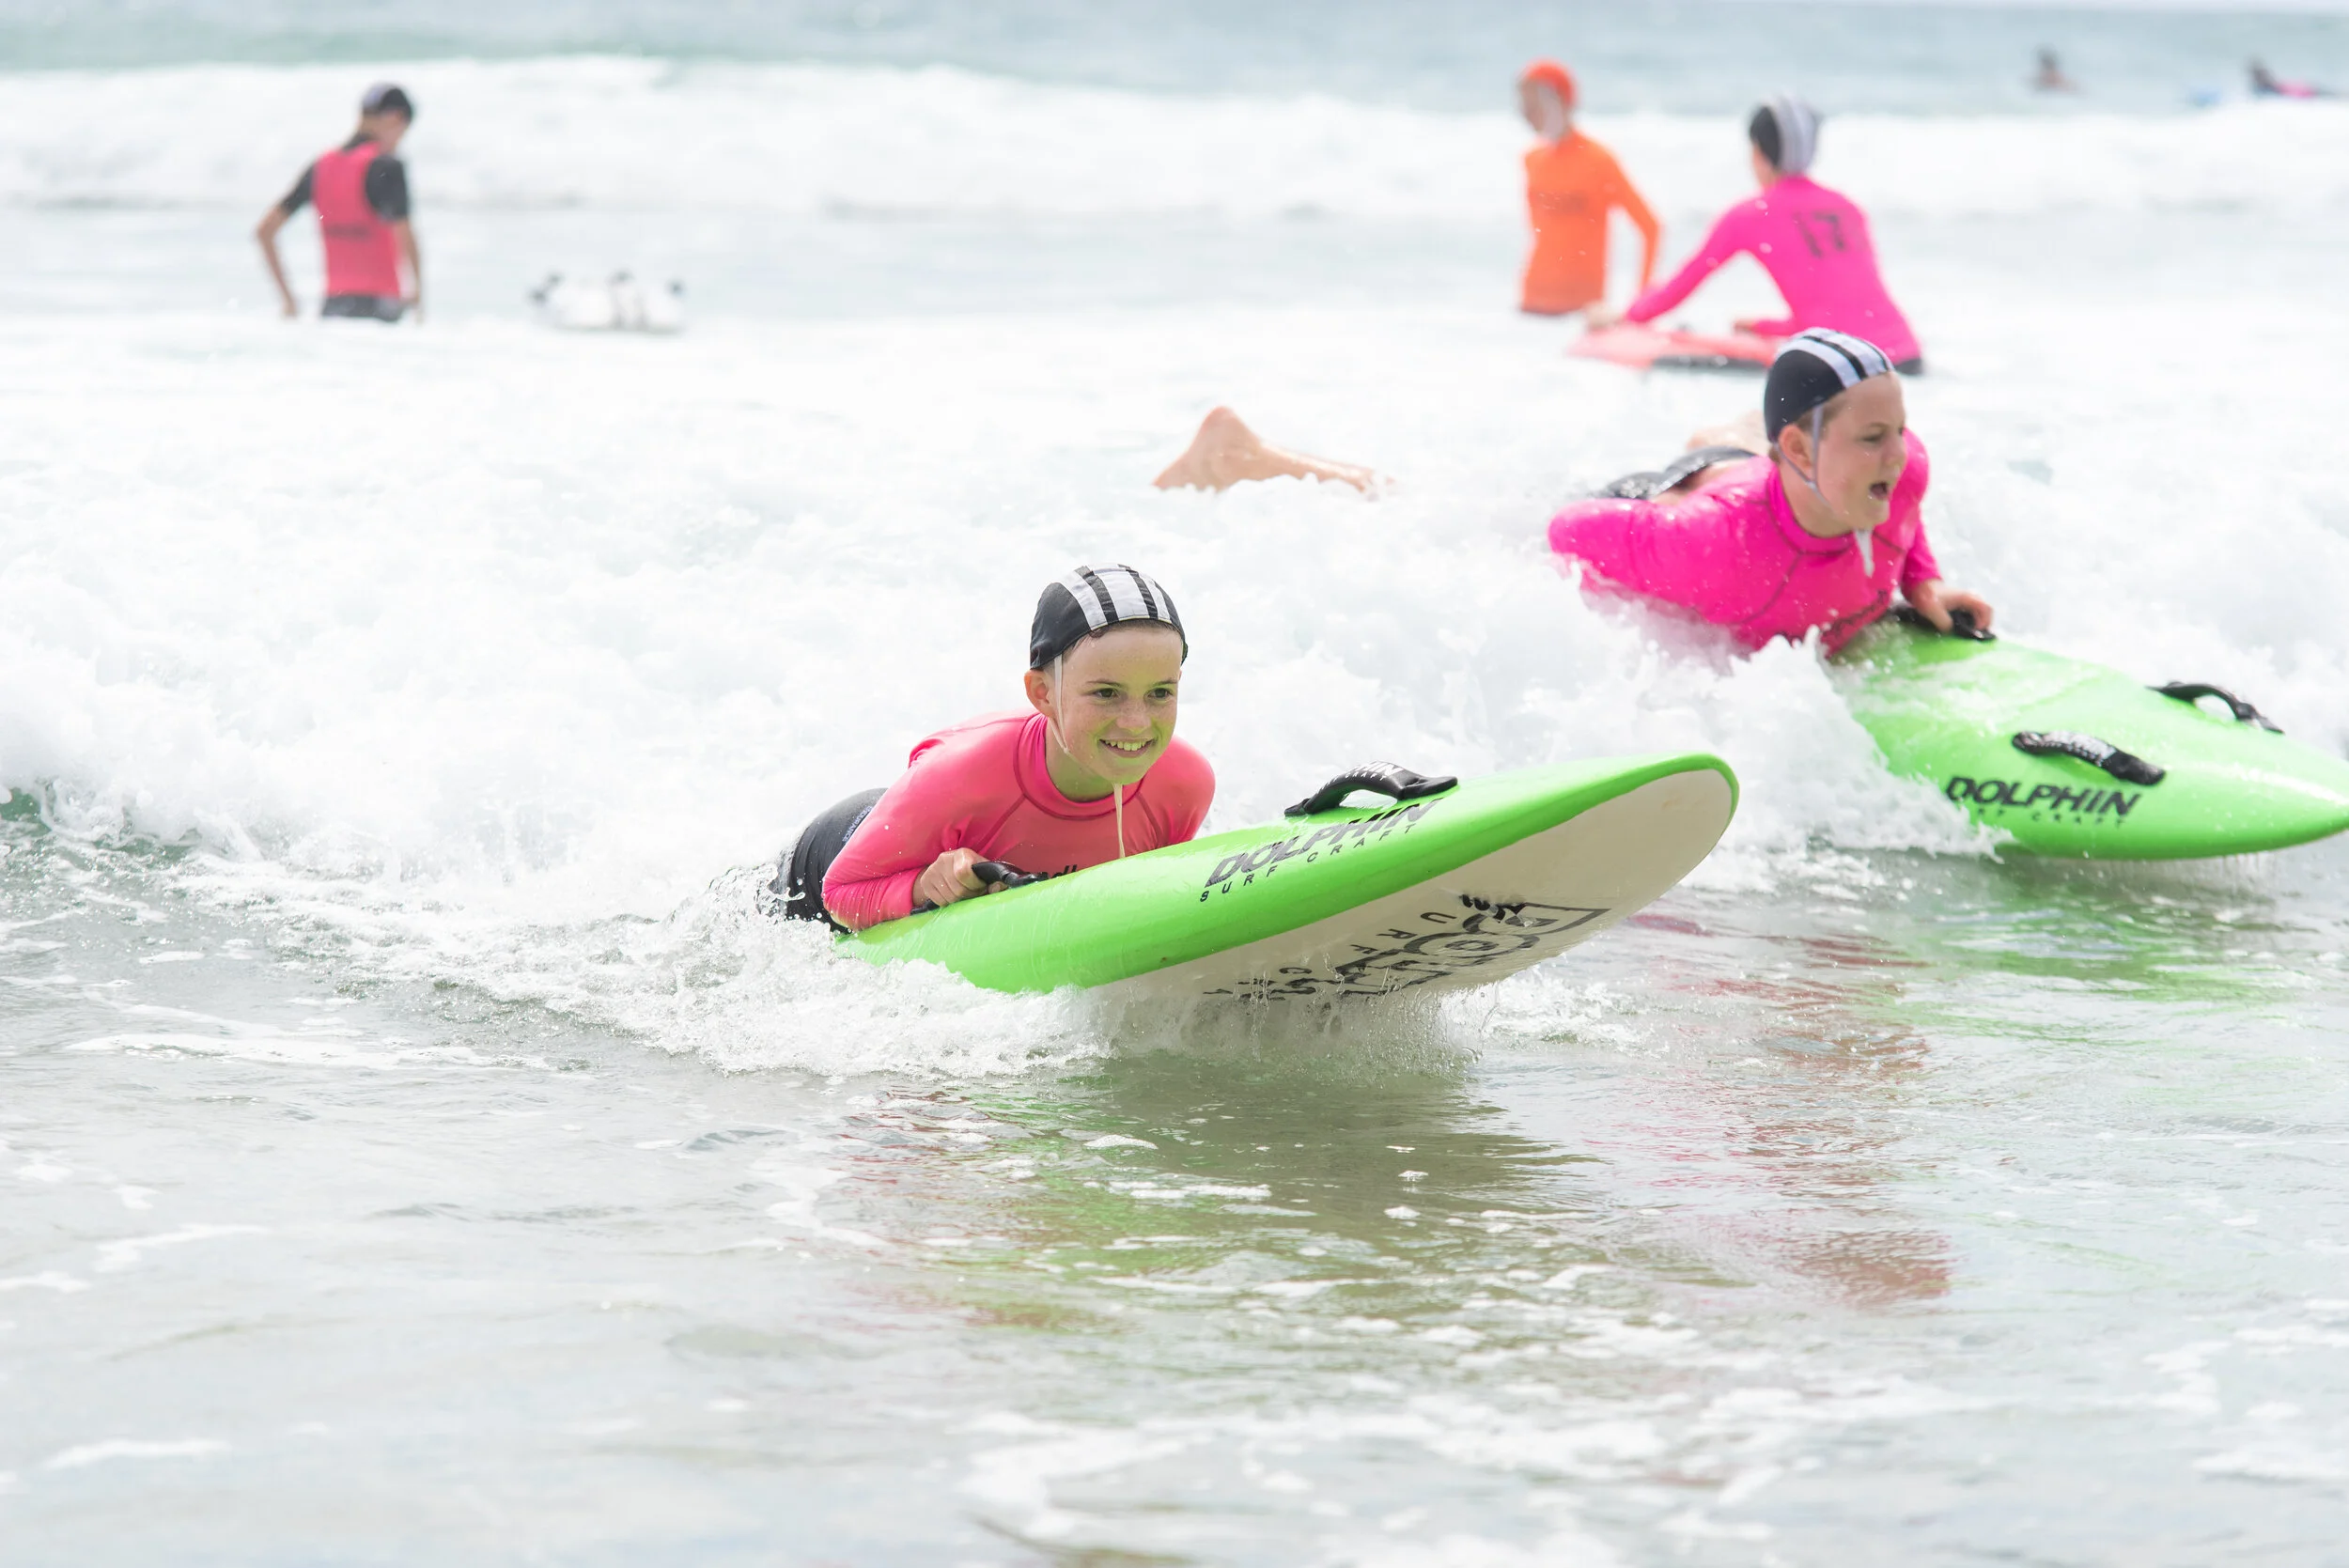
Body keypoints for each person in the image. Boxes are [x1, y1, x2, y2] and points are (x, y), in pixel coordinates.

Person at [775, 565, 1216, 932]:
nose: (1137, 722)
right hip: (835, 858)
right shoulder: (959, 777)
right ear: (1043, 694)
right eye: (1106, 694)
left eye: (1160, 693)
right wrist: (923, 887)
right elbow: (839, 893)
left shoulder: (1185, 784)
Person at [1547, 329, 1992, 656]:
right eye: (1874, 436)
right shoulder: (1711, 541)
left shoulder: (1902, 466)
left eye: (1899, 429)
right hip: (1702, 492)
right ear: (1798, 449)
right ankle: (1723, 448)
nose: (1897, 454)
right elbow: (1568, 528)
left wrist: (1924, 583)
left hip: (1788, 473)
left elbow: (1904, 511)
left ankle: (1746, 441)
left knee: (1783, 456)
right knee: (1721, 464)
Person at [1589, 98, 1923, 371]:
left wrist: (1626, 317)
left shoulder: (1750, 215)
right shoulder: (1846, 208)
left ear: (1758, 152)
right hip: (1904, 360)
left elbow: (1681, 286)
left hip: (1845, 369)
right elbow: (1843, 306)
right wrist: (1767, 327)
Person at [256, 82, 423, 323]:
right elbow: (405, 234)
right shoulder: (387, 166)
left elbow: (264, 231)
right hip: (381, 308)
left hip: (333, 308)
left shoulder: (321, 166)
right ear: (395, 118)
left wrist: (289, 300)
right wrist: (419, 298)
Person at [1515, 59, 1660, 318]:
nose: (1524, 112)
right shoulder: (1531, 160)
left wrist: (1641, 303)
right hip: (1530, 306)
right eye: (1523, 102)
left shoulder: (1598, 161)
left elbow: (1650, 228)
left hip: (1581, 313)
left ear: (1560, 100)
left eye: (1532, 102)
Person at [2249, 59, 2333, 99]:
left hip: (2300, 90)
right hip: (2300, 91)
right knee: (2323, 93)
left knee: (2323, 92)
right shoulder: (2263, 89)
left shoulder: (2267, 87)